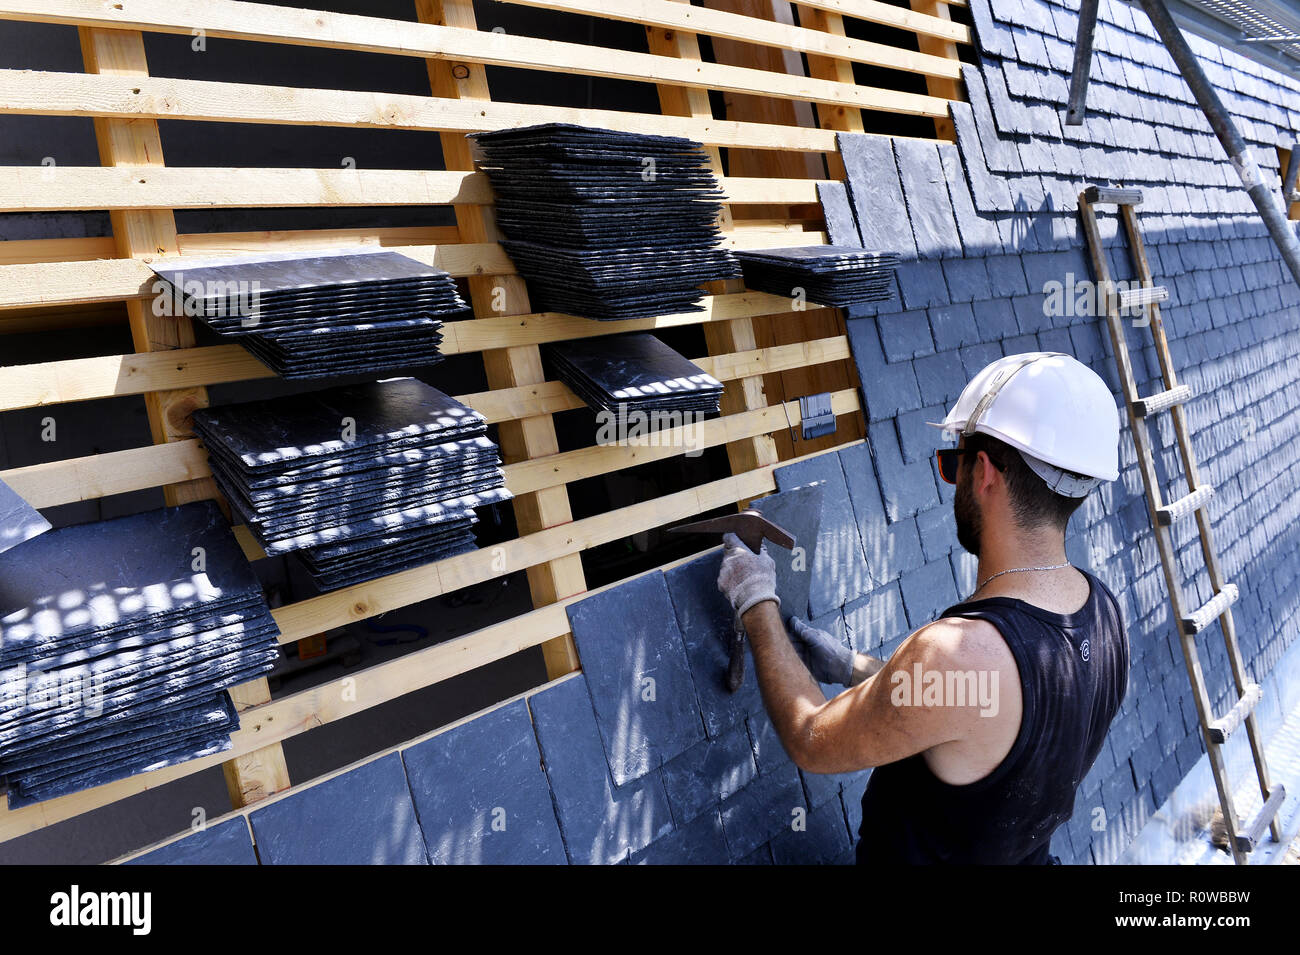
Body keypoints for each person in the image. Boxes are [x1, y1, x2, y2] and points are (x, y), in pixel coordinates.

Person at [717, 352, 1130, 864]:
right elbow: (981, 717)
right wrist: (855, 670)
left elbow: (810, 739)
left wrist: (756, 599)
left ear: (983, 473)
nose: (952, 476)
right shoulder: (1105, 615)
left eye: (953, 463)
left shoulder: (958, 654)